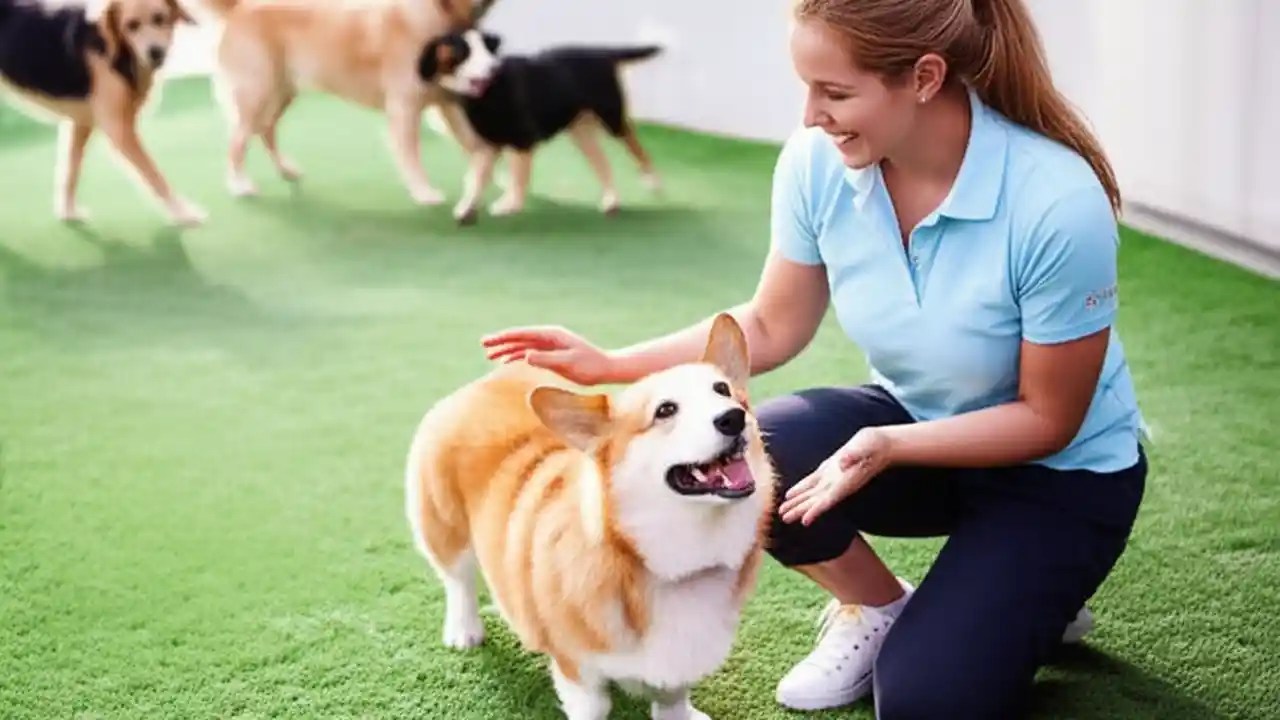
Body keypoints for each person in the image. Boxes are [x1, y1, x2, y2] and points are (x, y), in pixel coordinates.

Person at [479, 0, 1148, 716]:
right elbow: (770, 322)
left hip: (1057, 475)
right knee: (765, 447)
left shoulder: (1054, 200)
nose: (809, 116)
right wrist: (609, 365)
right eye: (806, 88)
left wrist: (890, 443)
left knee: (926, 702)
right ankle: (884, 608)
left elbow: (1050, 417)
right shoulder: (819, 163)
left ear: (923, 77)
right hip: (925, 440)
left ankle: (1032, 599)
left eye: (833, 93)